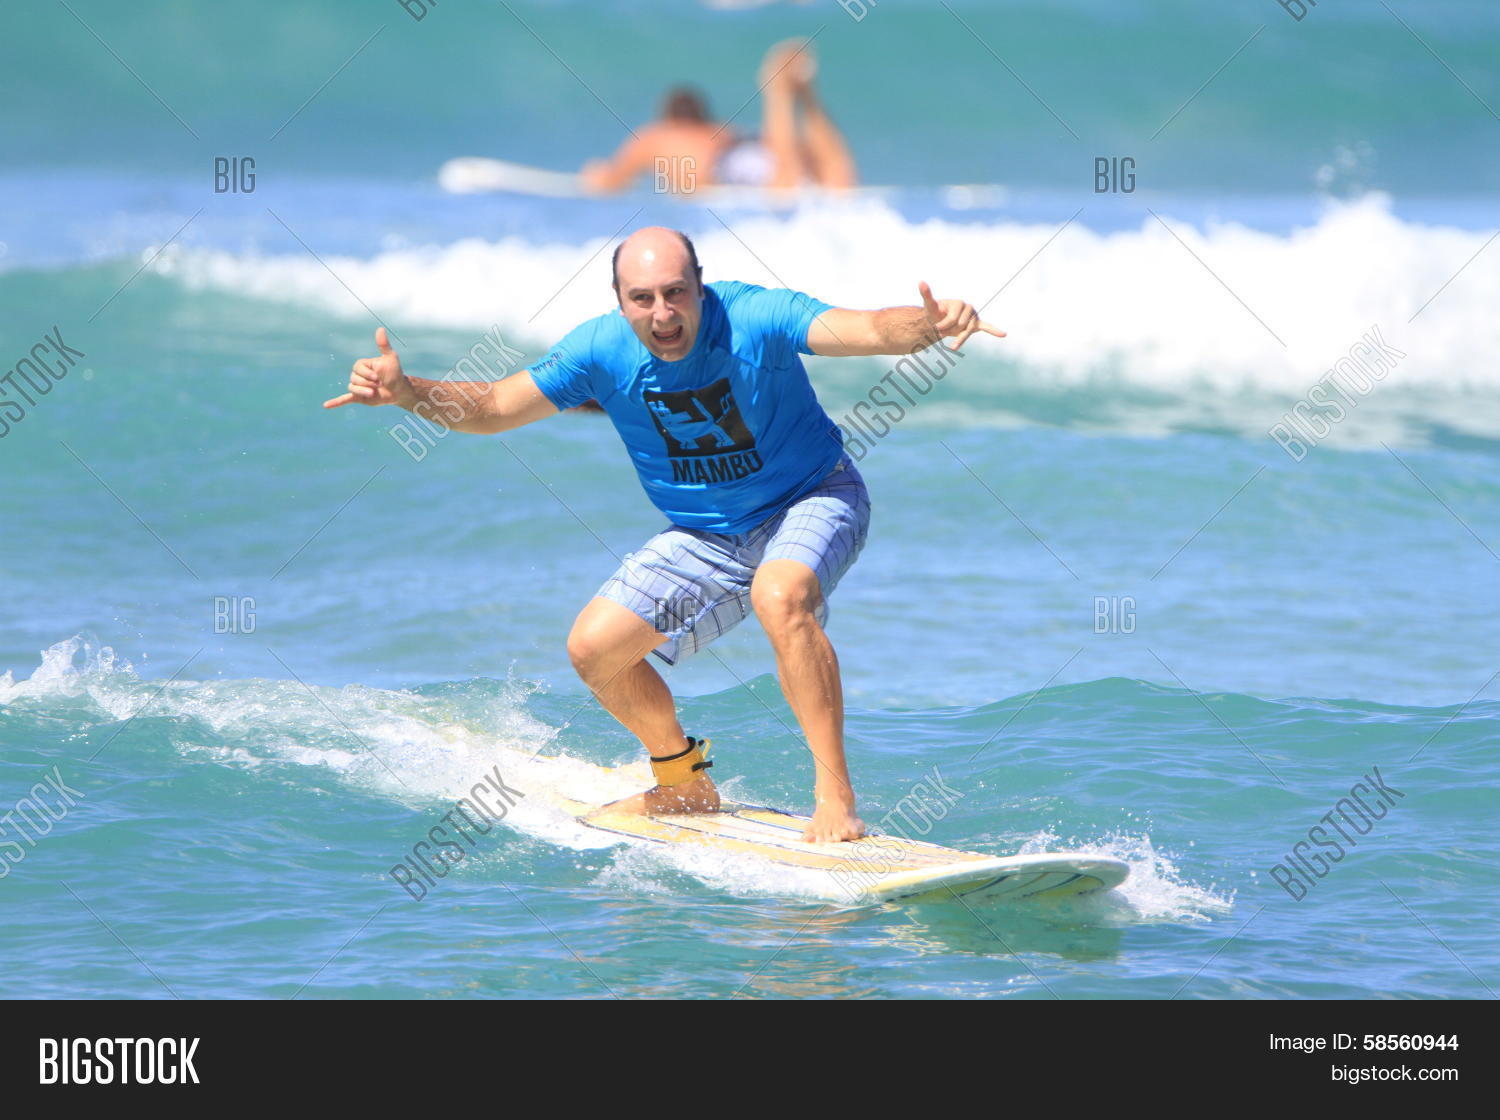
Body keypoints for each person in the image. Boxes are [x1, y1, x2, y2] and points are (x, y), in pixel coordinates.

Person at [324, 227, 1003, 841]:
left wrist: (928, 324)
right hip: (706, 535)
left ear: (701, 288)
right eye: (642, 298)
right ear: (620, 301)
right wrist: (409, 390)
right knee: (594, 650)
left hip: (814, 496)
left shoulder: (756, 316)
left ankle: (837, 801)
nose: (662, 314)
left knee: (780, 594)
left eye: (677, 294)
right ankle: (682, 784)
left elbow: (864, 330)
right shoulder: (599, 350)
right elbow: (497, 406)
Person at [580, 40, 856, 195]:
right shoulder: (719, 130)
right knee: (838, 176)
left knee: (787, 183)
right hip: (748, 144)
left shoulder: (656, 136)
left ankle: (777, 91)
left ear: (670, 118)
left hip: (730, 165)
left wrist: (597, 175)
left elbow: (612, 180)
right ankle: (806, 94)